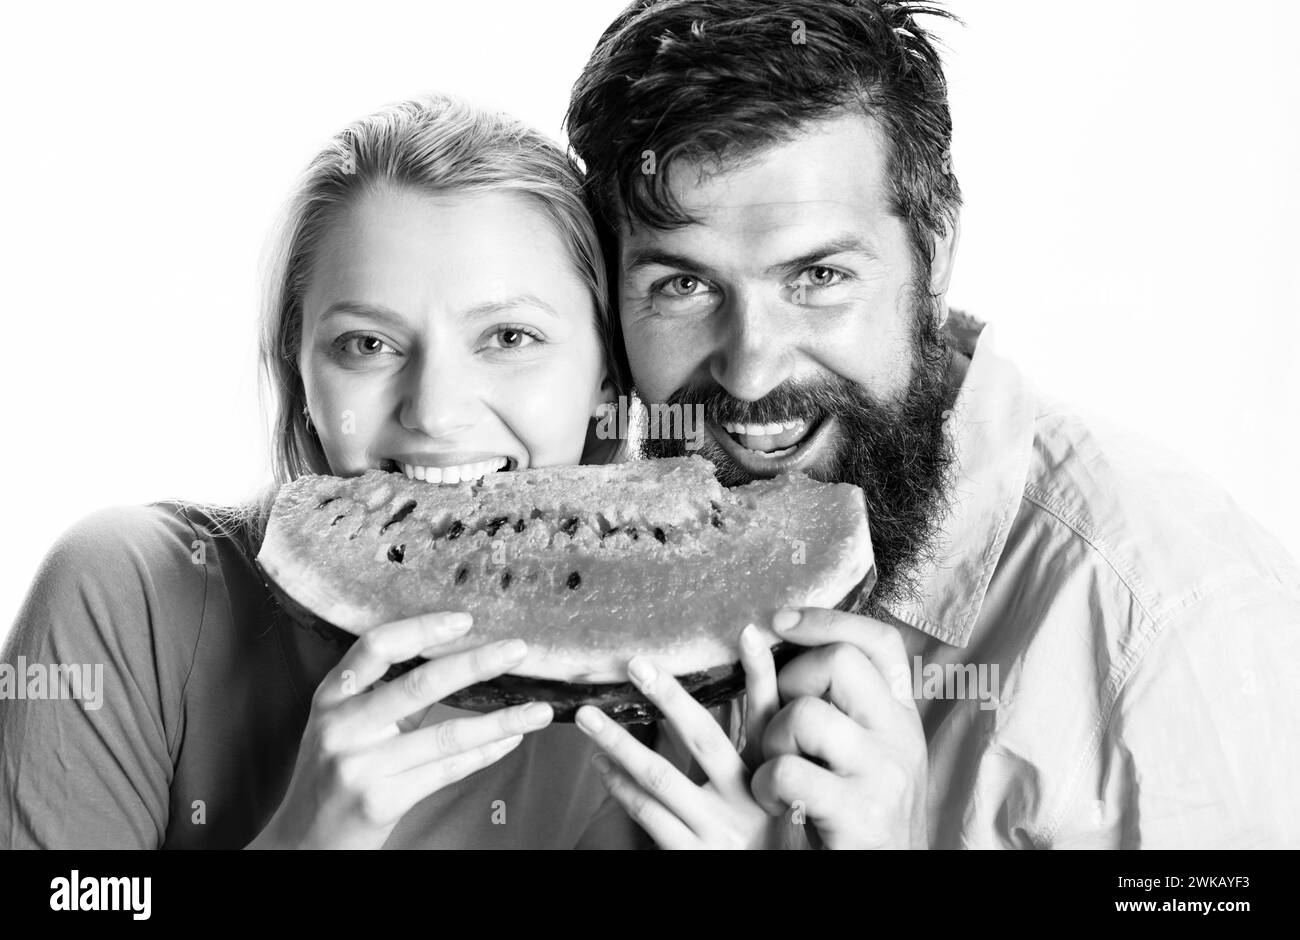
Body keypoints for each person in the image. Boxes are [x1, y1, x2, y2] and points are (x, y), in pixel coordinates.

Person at [563, 0, 1300, 848]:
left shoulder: (1173, 629)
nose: (751, 370)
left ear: (935, 251)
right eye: (682, 286)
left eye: (819, 276)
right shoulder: (604, 514)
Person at [0, 94, 649, 849]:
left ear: (609, 372)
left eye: (509, 335)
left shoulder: (690, 681)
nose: (435, 412)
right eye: (368, 345)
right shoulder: (130, 591)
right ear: (299, 371)